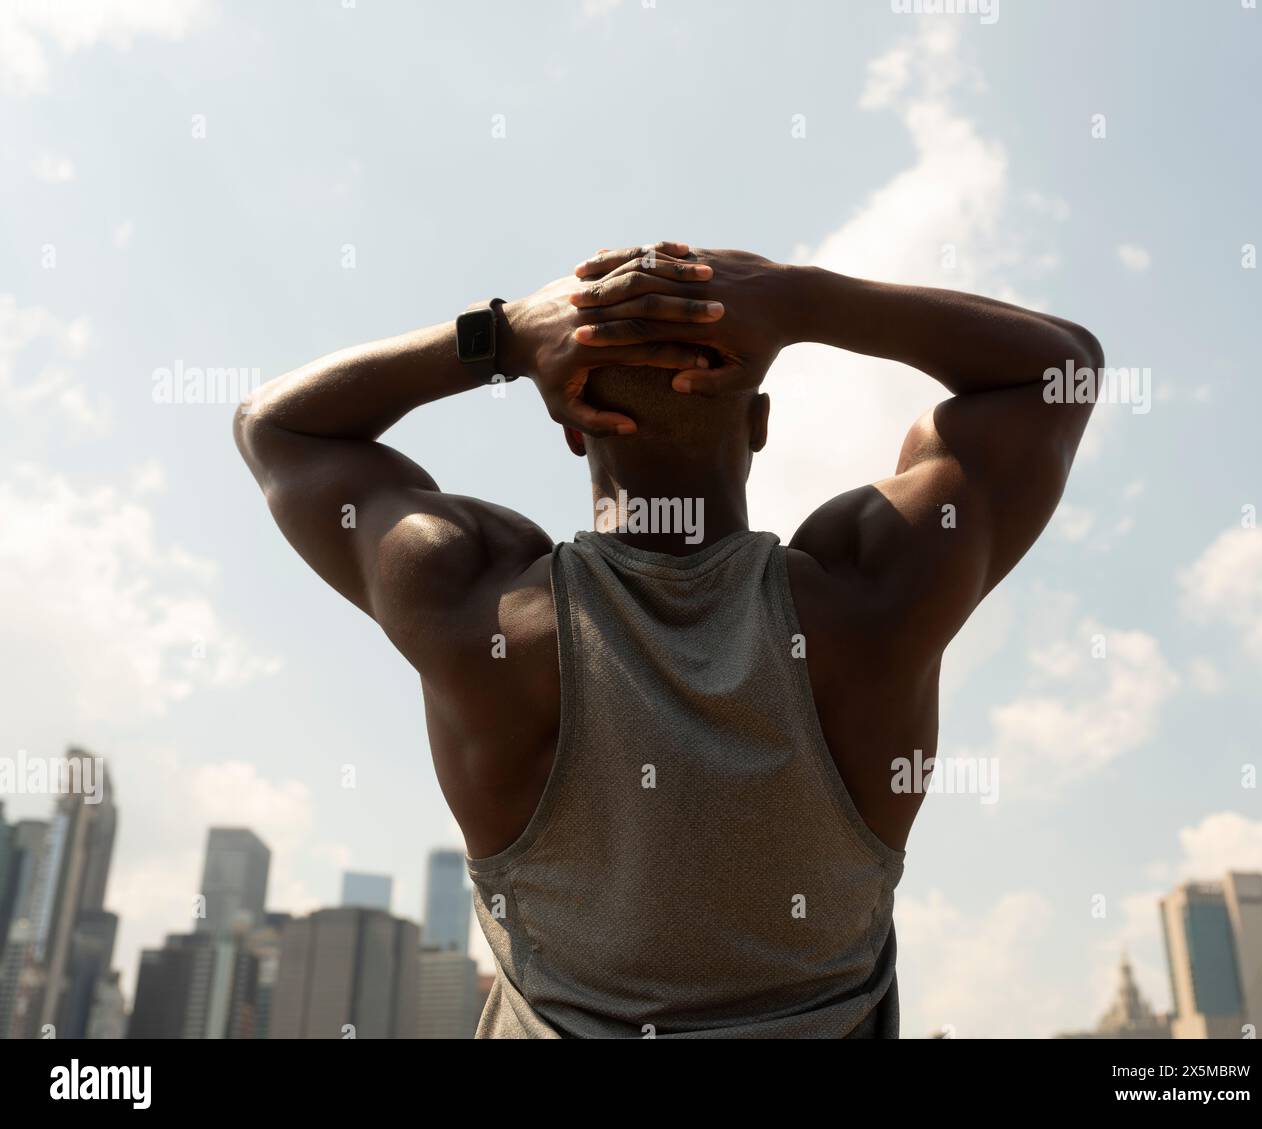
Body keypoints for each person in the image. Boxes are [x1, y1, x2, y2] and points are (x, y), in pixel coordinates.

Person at [234, 240, 1102, 1037]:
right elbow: (1060, 370)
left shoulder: (473, 604)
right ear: (759, 423)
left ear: (572, 427)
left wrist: (498, 337)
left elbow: (277, 427)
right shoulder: (875, 592)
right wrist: (798, 299)